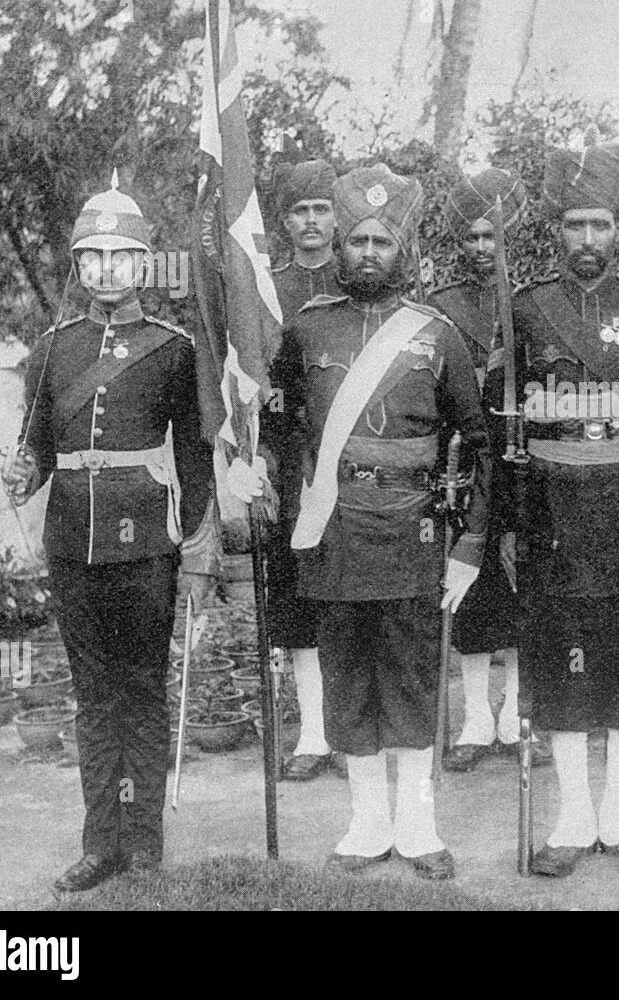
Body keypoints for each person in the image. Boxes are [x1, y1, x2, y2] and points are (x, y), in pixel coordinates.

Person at [256, 164, 491, 881]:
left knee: (415, 679)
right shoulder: (306, 328)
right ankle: (365, 822)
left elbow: (481, 446)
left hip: (413, 531)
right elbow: (279, 420)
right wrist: (257, 462)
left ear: (403, 249)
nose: (365, 252)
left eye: (381, 240)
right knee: (348, 679)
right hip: (334, 529)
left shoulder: (438, 334)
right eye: (356, 238)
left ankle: (418, 825)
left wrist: (469, 544)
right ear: (341, 243)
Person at [1, 174, 219, 892]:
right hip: (73, 546)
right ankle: (101, 843)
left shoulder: (174, 348)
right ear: (78, 265)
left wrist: (195, 555)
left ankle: (146, 840)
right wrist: (20, 472)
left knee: (142, 690)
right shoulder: (54, 348)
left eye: (119, 257)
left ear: (142, 266)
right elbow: (35, 449)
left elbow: (193, 458)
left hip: (145, 550)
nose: (105, 270)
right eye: (91, 257)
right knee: (93, 695)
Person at [492, 136, 619, 877]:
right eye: (574, 224)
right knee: (564, 660)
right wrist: (511, 520)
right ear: (558, 230)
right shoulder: (527, 308)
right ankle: (574, 818)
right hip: (552, 507)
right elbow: (505, 426)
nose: (587, 239)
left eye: (600, 224)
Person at [428, 168, 550, 772]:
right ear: (459, 242)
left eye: (494, 236)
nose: (484, 248)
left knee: (525, 579)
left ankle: (517, 713)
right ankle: (476, 717)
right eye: (474, 237)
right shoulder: (440, 306)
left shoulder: (531, 301)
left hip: (523, 454)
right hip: (464, 458)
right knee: (470, 587)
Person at [263, 155, 341, 782]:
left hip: (363, 461)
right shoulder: (268, 290)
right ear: (284, 221)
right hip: (293, 462)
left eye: (321, 209)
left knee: (358, 595)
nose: (311, 221)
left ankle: (357, 730)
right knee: (299, 600)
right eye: (300, 211)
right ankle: (314, 734)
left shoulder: (363, 277)